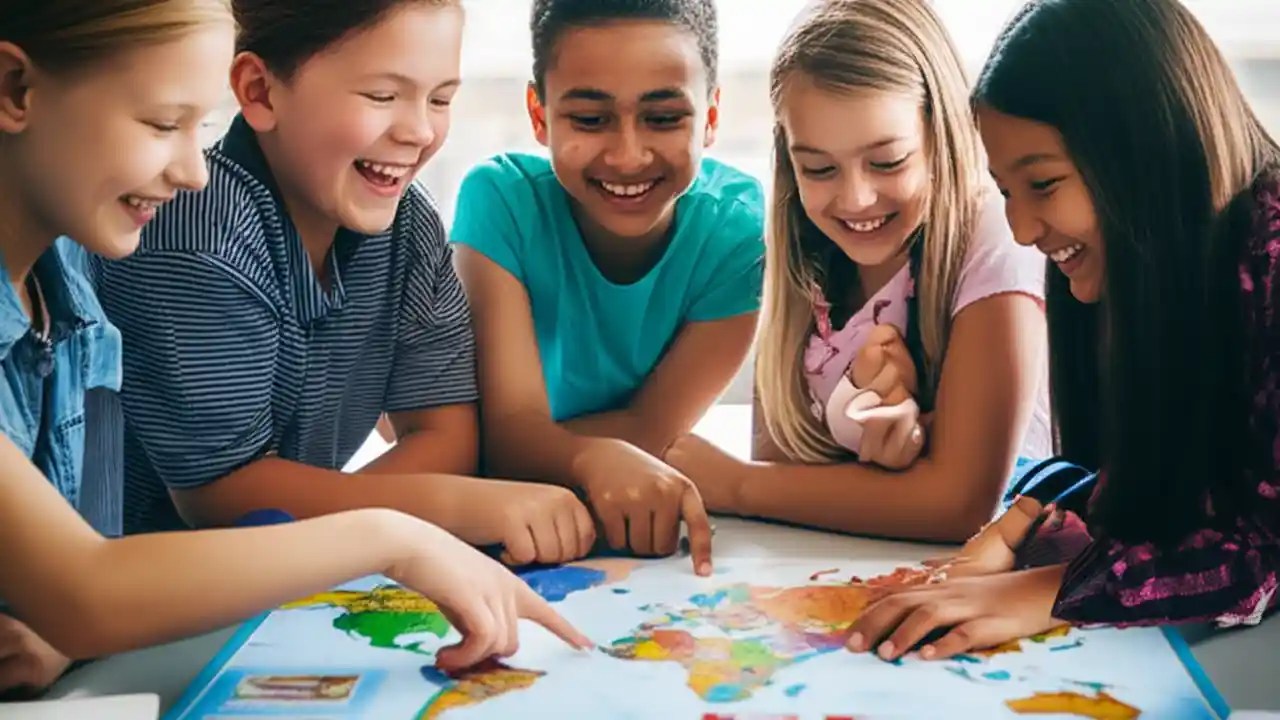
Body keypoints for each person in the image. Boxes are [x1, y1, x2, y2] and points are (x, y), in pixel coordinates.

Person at [0, 0, 588, 697]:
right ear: (14, 90)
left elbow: (80, 580)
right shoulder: (181, 237)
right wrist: (393, 534)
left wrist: (69, 626)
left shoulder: (68, 288)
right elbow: (92, 587)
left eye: (201, 126)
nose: (194, 171)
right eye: (163, 124)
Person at [93, 0, 598, 568]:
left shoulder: (407, 224)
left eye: (440, 99)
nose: (420, 131)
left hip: (287, 584)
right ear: (259, 91)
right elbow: (222, 497)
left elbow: (446, 432)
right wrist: (446, 508)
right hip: (157, 596)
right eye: (382, 96)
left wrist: (378, 517)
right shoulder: (196, 238)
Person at [847, 0, 1280, 662]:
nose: (1021, 229)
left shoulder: (1269, 259)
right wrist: (1027, 514)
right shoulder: (1142, 268)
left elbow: (1267, 546)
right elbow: (1163, 492)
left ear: (1145, 152)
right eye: (1007, 192)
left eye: (1043, 184)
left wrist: (1050, 590)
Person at [665, 0, 1050, 543]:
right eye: (819, 169)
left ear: (941, 134)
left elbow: (961, 503)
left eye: (888, 161)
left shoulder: (993, 237)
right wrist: (862, 428)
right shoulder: (807, 251)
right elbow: (782, 457)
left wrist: (736, 486)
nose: (856, 198)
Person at [452, 0, 759, 574]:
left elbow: (651, 429)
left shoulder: (737, 229)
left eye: (664, 118)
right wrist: (586, 455)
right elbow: (504, 436)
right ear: (539, 115)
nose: (627, 155)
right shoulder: (500, 200)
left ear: (711, 116)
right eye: (590, 120)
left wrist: (542, 451)